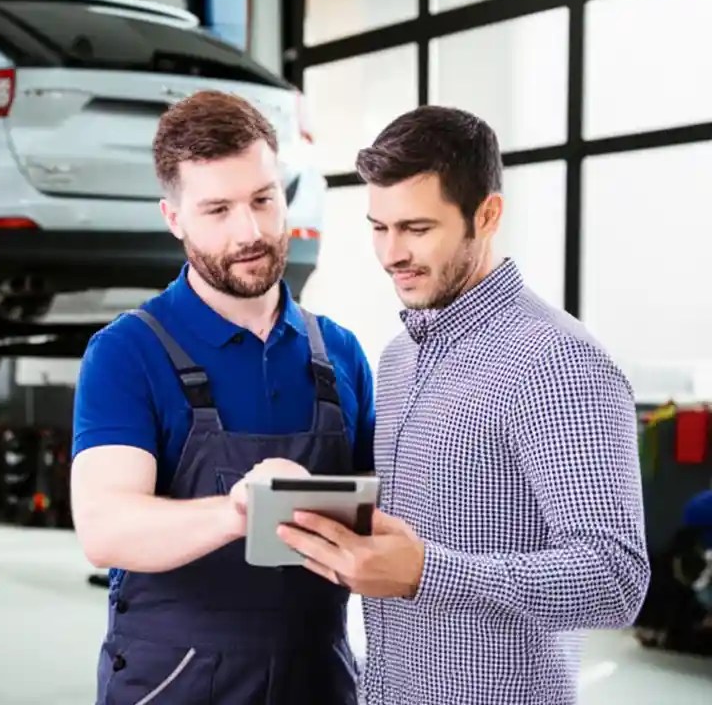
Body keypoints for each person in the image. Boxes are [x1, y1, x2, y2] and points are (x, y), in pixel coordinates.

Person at [276, 105, 651, 704]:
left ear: (487, 214)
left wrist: (426, 573)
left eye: (417, 229)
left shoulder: (557, 361)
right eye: (379, 227)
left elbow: (615, 577)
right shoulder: (399, 357)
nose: (391, 253)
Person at [70, 90, 376, 704]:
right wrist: (239, 511)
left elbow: (378, 522)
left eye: (264, 200)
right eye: (218, 210)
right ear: (174, 217)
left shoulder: (340, 353)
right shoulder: (127, 353)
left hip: (319, 678)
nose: (251, 231)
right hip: (175, 681)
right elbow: (105, 528)